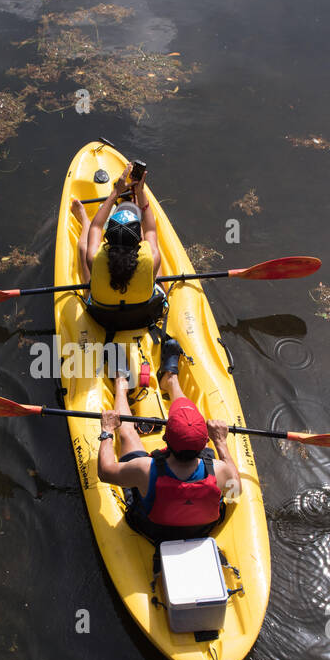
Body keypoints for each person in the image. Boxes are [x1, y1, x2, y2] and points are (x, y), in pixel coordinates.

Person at [96, 345, 242, 543]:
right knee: (185, 417)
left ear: (165, 438)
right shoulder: (219, 470)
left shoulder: (144, 469)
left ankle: (121, 382)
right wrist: (221, 443)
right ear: (204, 443)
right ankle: (171, 380)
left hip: (153, 529)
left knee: (128, 434)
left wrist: (107, 430)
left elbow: (105, 472)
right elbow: (237, 490)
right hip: (199, 530)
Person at [70, 164, 167, 330]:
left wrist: (116, 192)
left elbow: (95, 227)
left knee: (84, 248)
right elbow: (150, 228)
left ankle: (83, 220)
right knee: (154, 254)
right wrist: (140, 192)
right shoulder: (151, 256)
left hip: (104, 316)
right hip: (143, 314)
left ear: (107, 237)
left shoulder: (94, 257)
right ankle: (135, 208)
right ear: (138, 239)